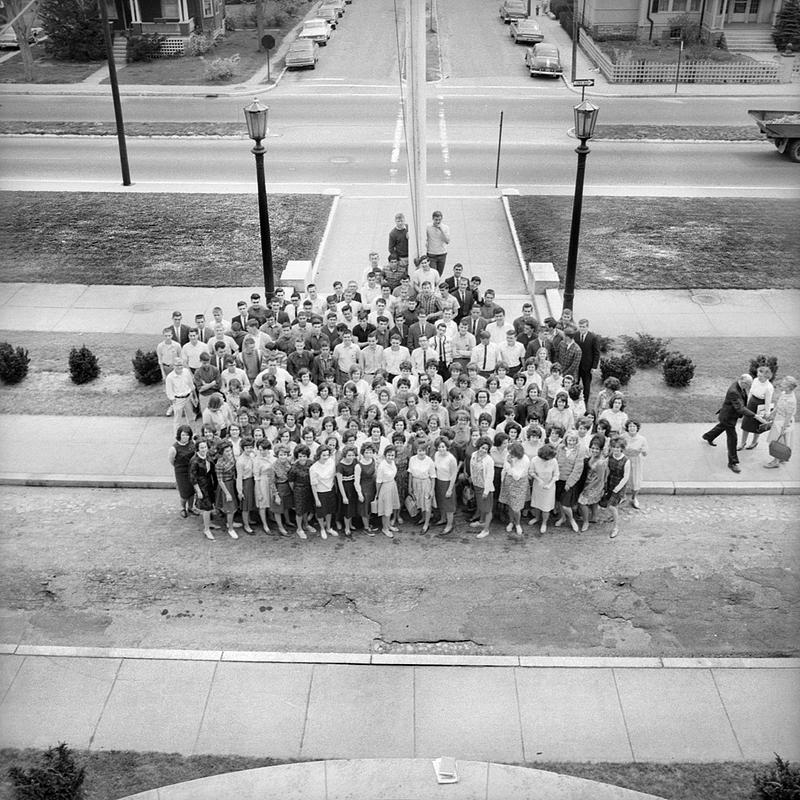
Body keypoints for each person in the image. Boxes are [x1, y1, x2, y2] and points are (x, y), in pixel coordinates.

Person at [702, 373, 766, 474]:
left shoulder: (739, 385)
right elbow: (740, 408)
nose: (749, 387)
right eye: (748, 385)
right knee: (733, 438)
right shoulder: (734, 391)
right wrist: (755, 416)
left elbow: (742, 402)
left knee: (721, 427)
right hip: (728, 417)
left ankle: (708, 436)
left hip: (728, 415)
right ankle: (732, 463)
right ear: (743, 382)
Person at [738, 365, 775, 452]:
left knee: (757, 426)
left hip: (760, 406)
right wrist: (747, 402)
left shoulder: (769, 387)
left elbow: (768, 401)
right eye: (758, 375)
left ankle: (754, 442)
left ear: (766, 376)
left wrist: (767, 413)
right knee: (745, 424)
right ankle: (742, 443)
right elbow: (751, 391)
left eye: (760, 376)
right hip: (751, 404)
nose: (758, 377)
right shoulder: (755, 380)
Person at [189, 439, 219, 540]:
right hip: (201, 486)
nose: (204, 449)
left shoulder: (207, 456)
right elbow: (192, 478)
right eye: (201, 448)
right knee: (206, 508)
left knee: (210, 506)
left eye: (205, 447)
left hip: (209, 484)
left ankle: (209, 523)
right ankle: (206, 529)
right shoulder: (194, 461)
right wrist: (198, 491)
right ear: (197, 448)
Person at [600, 437, 630, 539]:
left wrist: (618, 488)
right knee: (608, 504)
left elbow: (626, 477)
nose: (615, 449)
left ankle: (616, 527)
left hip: (619, 485)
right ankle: (613, 516)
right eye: (614, 447)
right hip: (610, 483)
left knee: (612, 506)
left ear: (622, 448)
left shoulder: (626, 461)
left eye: (618, 447)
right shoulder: (610, 457)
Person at [498, 441, 530, 538]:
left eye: (512, 453)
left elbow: (517, 476)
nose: (510, 455)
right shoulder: (508, 456)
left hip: (520, 483)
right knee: (510, 504)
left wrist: (511, 464)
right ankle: (511, 522)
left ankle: (518, 524)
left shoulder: (525, 460)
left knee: (517, 507)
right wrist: (502, 480)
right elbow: (505, 468)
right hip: (508, 481)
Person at [765, 376, 797, 469]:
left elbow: (788, 416)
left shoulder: (791, 400)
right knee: (779, 441)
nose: (781, 384)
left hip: (783, 423)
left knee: (778, 442)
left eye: (783, 384)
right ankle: (781, 458)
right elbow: (778, 405)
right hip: (778, 420)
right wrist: (772, 413)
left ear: (789, 387)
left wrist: (783, 428)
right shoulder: (784, 393)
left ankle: (776, 461)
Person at [578, 436, 608, 532]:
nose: (594, 450)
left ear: (601, 450)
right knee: (594, 502)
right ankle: (594, 517)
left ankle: (586, 522)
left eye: (597, 449)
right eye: (593, 448)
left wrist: (587, 488)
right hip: (589, 482)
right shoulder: (593, 456)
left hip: (594, 485)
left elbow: (600, 478)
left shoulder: (600, 462)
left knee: (582, 502)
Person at [529, 443, 559, 536]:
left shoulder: (554, 461)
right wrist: (538, 479)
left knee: (546, 507)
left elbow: (556, 475)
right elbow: (531, 472)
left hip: (550, 487)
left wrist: (550, 484)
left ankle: (544, 522)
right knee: (537, 504)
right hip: (538, 486)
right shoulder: (534, 460)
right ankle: (537, 518)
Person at [469, 435, 495, 539]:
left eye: (486, 449)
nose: (483, 450)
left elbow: (490, 477)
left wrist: (486, 491)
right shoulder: (474, 455)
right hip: (477, 485)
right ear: (478, 446)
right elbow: (472, 468)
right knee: (481, 506)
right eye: (482, 447)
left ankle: (486, 530)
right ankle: (481, 522)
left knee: (487, 509)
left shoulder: (489, 460)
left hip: (485, 487)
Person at [168, 425, 196, 518]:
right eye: (183, 435)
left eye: (187, 435)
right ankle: (183, 508)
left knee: (192, 490)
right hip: (181, 472)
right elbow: (171, 460)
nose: (185, 437)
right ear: (179, 435)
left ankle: (191, 507)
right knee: (184, 493)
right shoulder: (174, 448)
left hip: (191, 470)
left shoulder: (192, 443)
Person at [408, 439, 436, 532]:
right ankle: (423, 518)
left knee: (427, 503)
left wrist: (432, 490)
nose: (421, 453)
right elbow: (410, 473)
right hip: (416, 482)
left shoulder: (429, 461)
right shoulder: (412, 459)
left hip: (425, 483)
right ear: (416, 450)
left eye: (423, 450)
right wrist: (410, 486)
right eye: (420, 450)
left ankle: (426, 524)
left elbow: (433, 476)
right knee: (420, 502)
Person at [310, 446, 338, 539]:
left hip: (330, 490)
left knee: (329, 511)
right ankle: (322, 528)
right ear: (319, 455)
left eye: (327, 455)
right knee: (321, 512)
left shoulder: (331, 462)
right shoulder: (314, 468)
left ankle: (329, 528)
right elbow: (313, 485)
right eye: (324, 455)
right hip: (320, 492)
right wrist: (316, 499)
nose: (326, 457)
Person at [213, 439, 239, 539]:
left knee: (234, 506)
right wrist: (227, 493)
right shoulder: (219, 464)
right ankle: (230, 529)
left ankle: (230, 522)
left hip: (232, 483)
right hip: (226, 486)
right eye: (227, 451)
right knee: (230, 508)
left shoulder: (232, 458)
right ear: (222, 452)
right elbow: (220, 481)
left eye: (230, 450)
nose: (229, 453)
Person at [288, 445, 316, 536]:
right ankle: (299, 529)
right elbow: (291, 482)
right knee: (299, 510)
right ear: (297, 456)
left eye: (304, 456)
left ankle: (306, 525)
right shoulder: (294, 468)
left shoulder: (311, 463)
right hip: (299, 490)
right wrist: (296, 490)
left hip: (309, 489)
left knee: (306, 508)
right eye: (300, 456)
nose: (302, 458)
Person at [433, 438, 458, 535]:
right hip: (439, 481)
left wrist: (450, 489)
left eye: (443, 447)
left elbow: (454, 475)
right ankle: (443, 519)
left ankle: (449, 525)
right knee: (441, 502)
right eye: (439, 447)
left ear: (447, 447)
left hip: (447, 483)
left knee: (449, 505)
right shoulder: (436, 454)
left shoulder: (451, 458)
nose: (441, 449)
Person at [374, 445, 401, 537]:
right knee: (386, 509)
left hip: (392, 485)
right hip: (385, 488)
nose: (390, 457)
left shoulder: (392, 463)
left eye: (392, 455)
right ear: (385, 455)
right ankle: (385, 528)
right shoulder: (382, 466)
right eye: (389, 455)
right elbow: (378, 481)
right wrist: (377, 494)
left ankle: (388, 525)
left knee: (390, 508)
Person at [622, 420, 648, 508]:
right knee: (622, 478)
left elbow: (645, 453)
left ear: (637, 428)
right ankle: (622, 496)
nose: (632, 428)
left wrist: (642, 451)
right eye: (630, 426)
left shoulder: (642, 439)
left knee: (635, 480)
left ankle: (634, 497)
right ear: (627, 428)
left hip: (636, 461)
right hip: (625, 460)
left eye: (634, 426)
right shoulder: (623, 437)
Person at [165, 359, 196, 432]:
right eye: (177, 365)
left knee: (191, 418)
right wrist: (173, 400)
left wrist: (194, 396)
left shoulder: (186, 372)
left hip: (188, 398)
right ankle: (177, 436)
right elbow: (169, 391)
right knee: (177, 421)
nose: (180, 367)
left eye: (181, 365)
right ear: (173, 366)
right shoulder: (170, 377)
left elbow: (191, 384)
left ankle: (193, 434)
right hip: (178, 400)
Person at [235, 437, 257, 534]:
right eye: (247, 447)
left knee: (250, 502)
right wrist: (240, 491)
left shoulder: (252, 455)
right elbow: (239, 477)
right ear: (243, 448)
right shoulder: (240, 461)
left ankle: (249, 519)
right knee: (245, 505)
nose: (249, 449)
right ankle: (246, 525)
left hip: (252, 481)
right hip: (245, 482)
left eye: (250, 447)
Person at [576, 318, 601, 403]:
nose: (582, 328)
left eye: (583, 327)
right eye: (580, 326)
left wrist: (594, 367)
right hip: (577, 365)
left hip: (587, 367)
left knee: (586, 386)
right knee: (575, 383)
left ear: (587, 327)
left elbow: (596, 353)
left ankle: (585, 403)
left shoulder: (593, 337)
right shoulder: (576, 335)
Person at [425, 211, 450, 275]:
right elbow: (424, 238)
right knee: (433, 274)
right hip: (431, 254)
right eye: (436, 220)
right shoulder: (428, 227)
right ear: (433, 219)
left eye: (439, 220)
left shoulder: (445, 227)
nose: (438, 221)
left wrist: (441, 229)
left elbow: (447, 241)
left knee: (439, 275)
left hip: (442, 254)